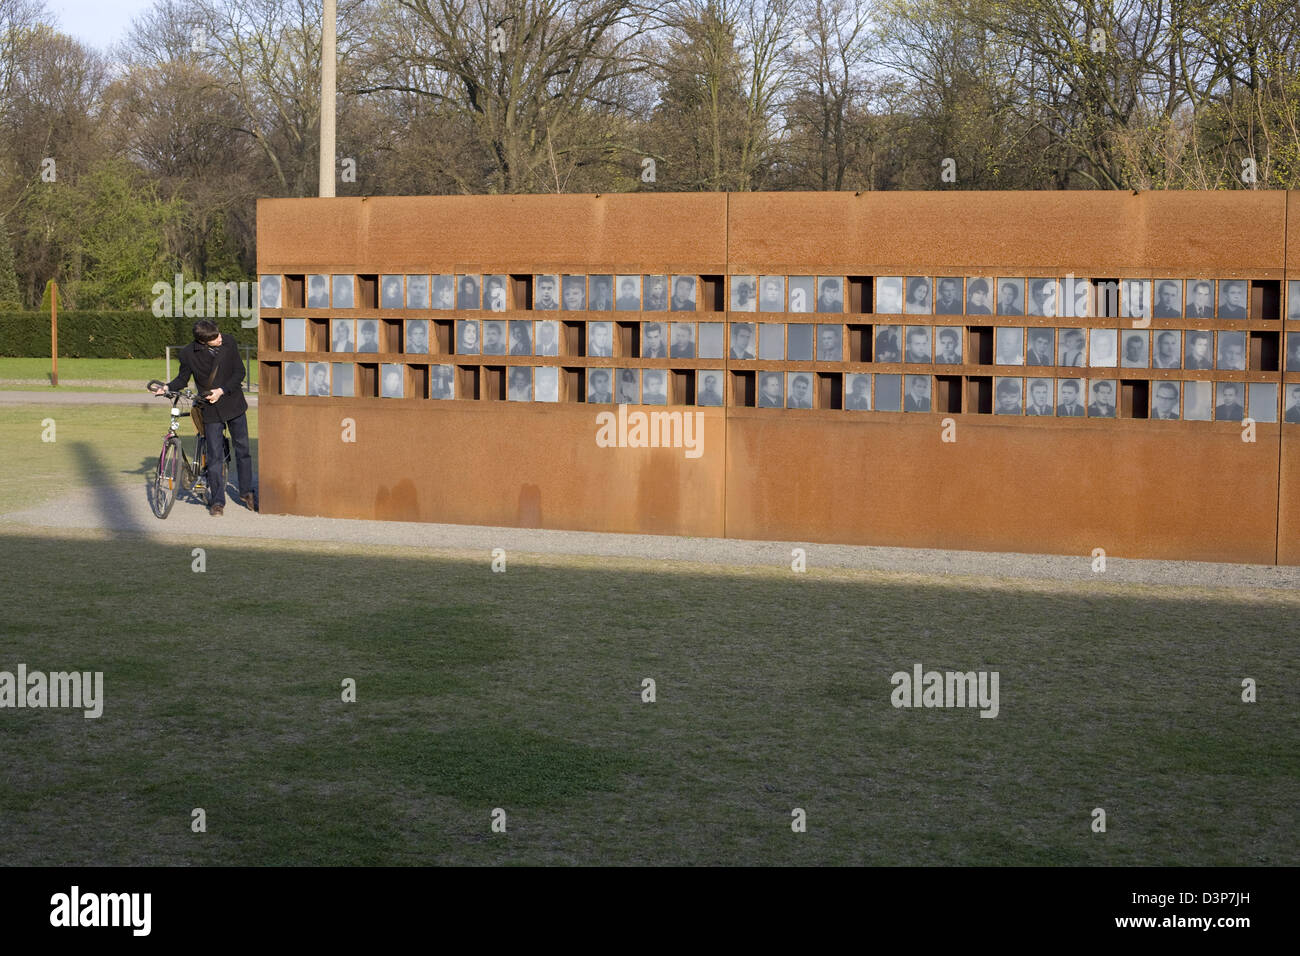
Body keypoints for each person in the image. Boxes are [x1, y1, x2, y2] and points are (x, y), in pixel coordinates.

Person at [150, 320, 255, 516]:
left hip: (234, 402)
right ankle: (217, 502)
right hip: (209, 408)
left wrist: (221, 390)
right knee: (214, 456)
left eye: (219, 334)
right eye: (215, 337)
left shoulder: (229, 342)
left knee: (243, 450)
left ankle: (247, 492)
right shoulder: (188, 353)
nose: (220, 337)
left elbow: (240, 372)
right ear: (203, 341)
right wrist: (167, 387)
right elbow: (182, 379)